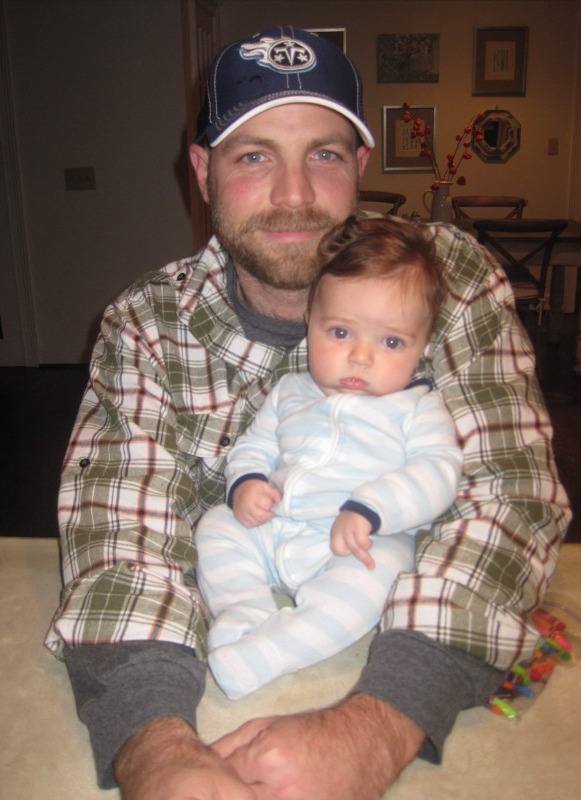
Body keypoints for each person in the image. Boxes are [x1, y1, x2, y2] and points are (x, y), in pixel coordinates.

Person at [45, 25, 570, 800]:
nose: (293, 196)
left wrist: (378, 726)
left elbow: (510, 491)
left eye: (322, 153)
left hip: (374, 595)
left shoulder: (448, 278)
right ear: (203, 171)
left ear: (360, 164)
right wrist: (152, 744)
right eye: (254, 157)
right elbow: (120, 525)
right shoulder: (145, 324)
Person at [196, 216, 463, 699]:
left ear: (422, 346)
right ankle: (244, 612)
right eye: (340, 333)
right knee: (216, 525)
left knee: (375, 581)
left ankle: (273, 651)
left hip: (358, 541)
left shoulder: (418, 407)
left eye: (391, 342)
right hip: (276, 526)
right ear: (310, 323)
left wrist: (370, 508)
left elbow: (438, 471)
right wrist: (247, 482)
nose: (361, 357)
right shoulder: (290, 391)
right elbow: (255, 445)